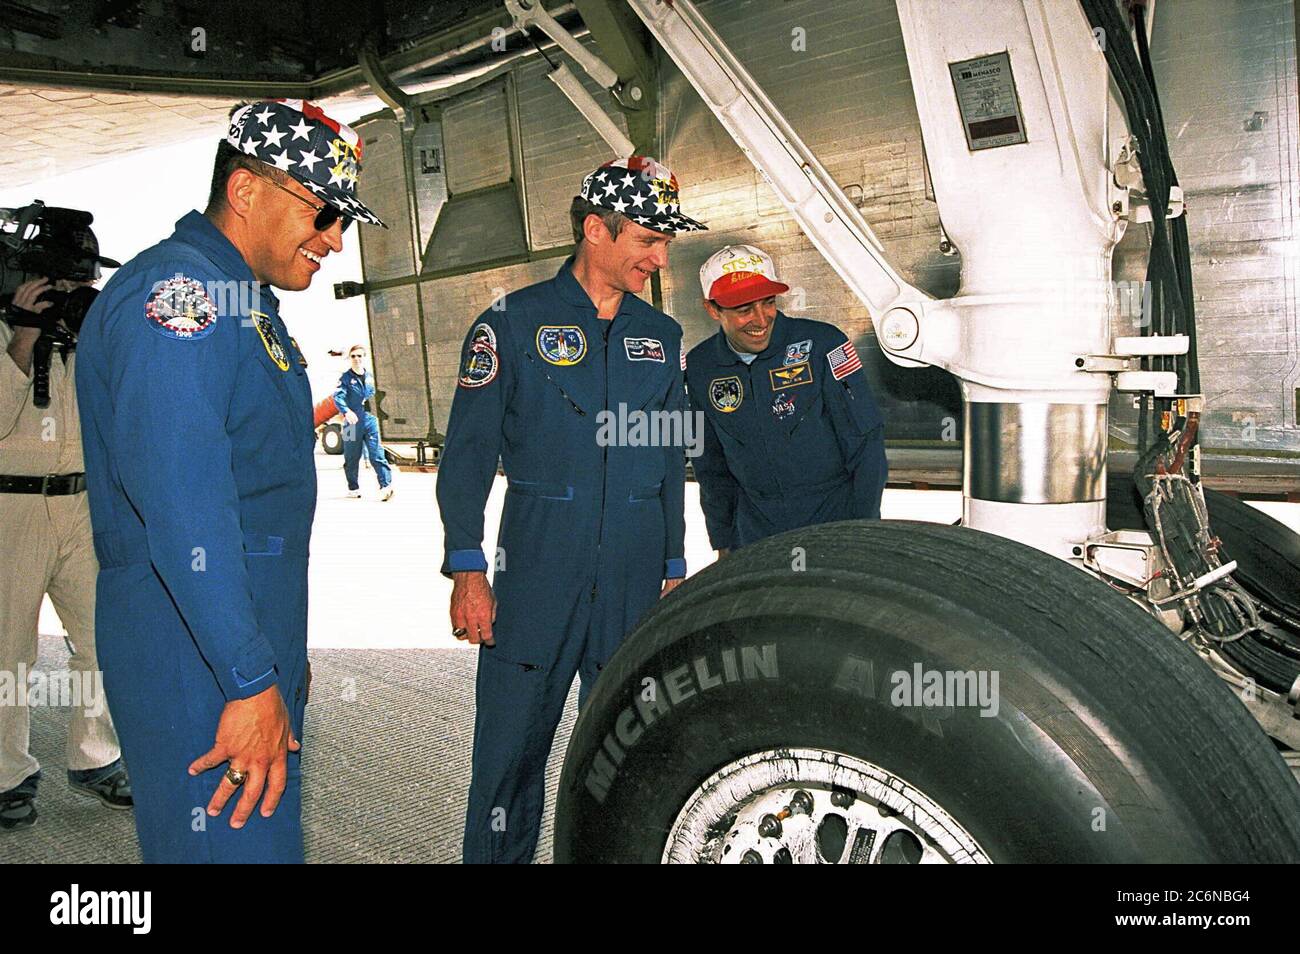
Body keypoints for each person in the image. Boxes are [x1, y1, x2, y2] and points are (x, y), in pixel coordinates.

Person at [75, 99, 385, 862]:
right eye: (321, 215)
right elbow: (183, 509)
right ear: (245, 191)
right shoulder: (182, 300)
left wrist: (274, 651)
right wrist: (248, 676)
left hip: (233, 642)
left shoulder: (243, 302)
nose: (334, 241)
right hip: (196, 653)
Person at [437, 155, 705, 863]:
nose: (659, 255)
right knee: (509, 754)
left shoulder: (664, 338)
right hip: (536, 570)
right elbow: (465, 456)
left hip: (635, 570)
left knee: (627, 754)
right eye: (647, 239)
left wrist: (674, 563)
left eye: (664, 242)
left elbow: (668, 462)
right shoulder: (511, 325)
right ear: (596, 230)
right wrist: (467, 567)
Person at [0, 208, 131, 831]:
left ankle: (95, 756)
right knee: (7, 653)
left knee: (104, 636)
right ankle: (6, 775)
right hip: (11, 507)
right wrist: (22, 340)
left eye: (83, 283)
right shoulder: (6, 327)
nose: (76, 294)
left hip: (81, 504)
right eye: (64, 283)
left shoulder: (89, 331)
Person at [685, 243, 888, 553]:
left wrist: (863, 528)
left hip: (834, 523)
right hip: (756, 534)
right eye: (743, 310)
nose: (762, 319)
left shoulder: (824, 344)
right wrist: (724, 541)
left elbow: (866, 445)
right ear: (713, 309)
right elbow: (710, 466)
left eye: (768, 302)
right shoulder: (700, 367)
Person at [334, 343, 393, 500]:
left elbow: (376, 397)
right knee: (351, 457)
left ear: (364, 357)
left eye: (360, 356)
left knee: (376, 454)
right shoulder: (345, 378)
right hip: (350, 424)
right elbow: (338, 397)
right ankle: (353, 487)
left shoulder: (370, 378)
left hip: (369, 420)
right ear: (350, 358)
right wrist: (346, 411)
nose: (357, 359)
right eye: (353, 356)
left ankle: (386, 486)